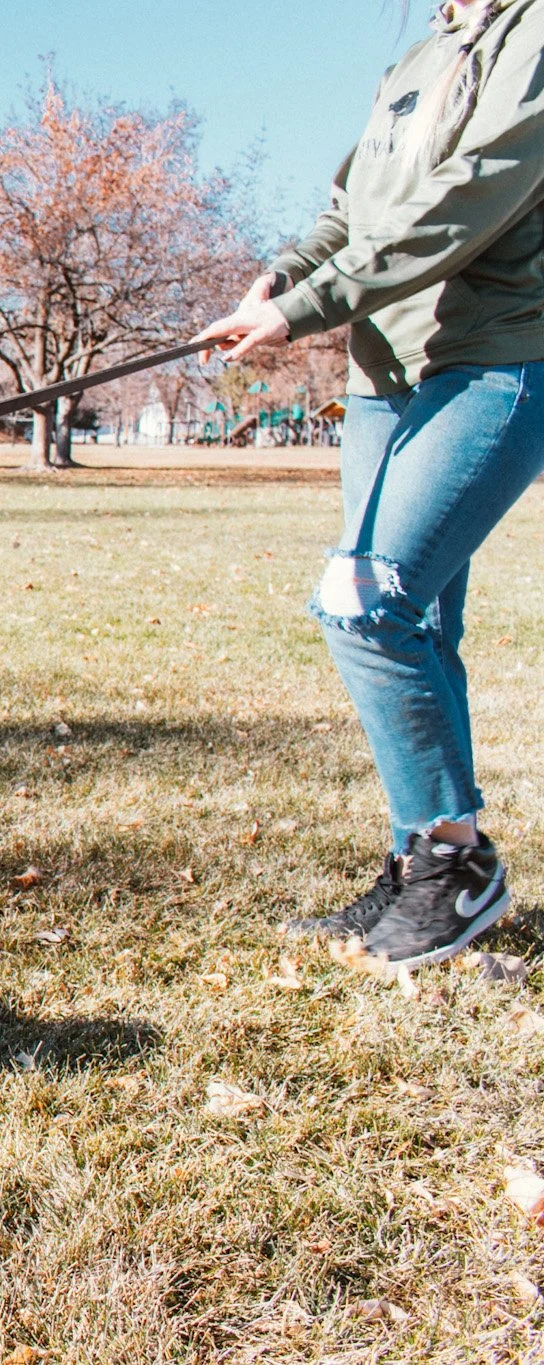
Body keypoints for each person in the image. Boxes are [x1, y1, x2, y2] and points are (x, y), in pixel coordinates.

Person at [199, 0, 544, 970]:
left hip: (492, 360)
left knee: (362, 599)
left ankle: (453, 858)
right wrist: (274, 285)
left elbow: (462, 206)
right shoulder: (418, 56)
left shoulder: (533, 37)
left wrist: (310, 306)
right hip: (382, 376)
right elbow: (350, 214)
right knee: (420, 625)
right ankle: (415, 867)